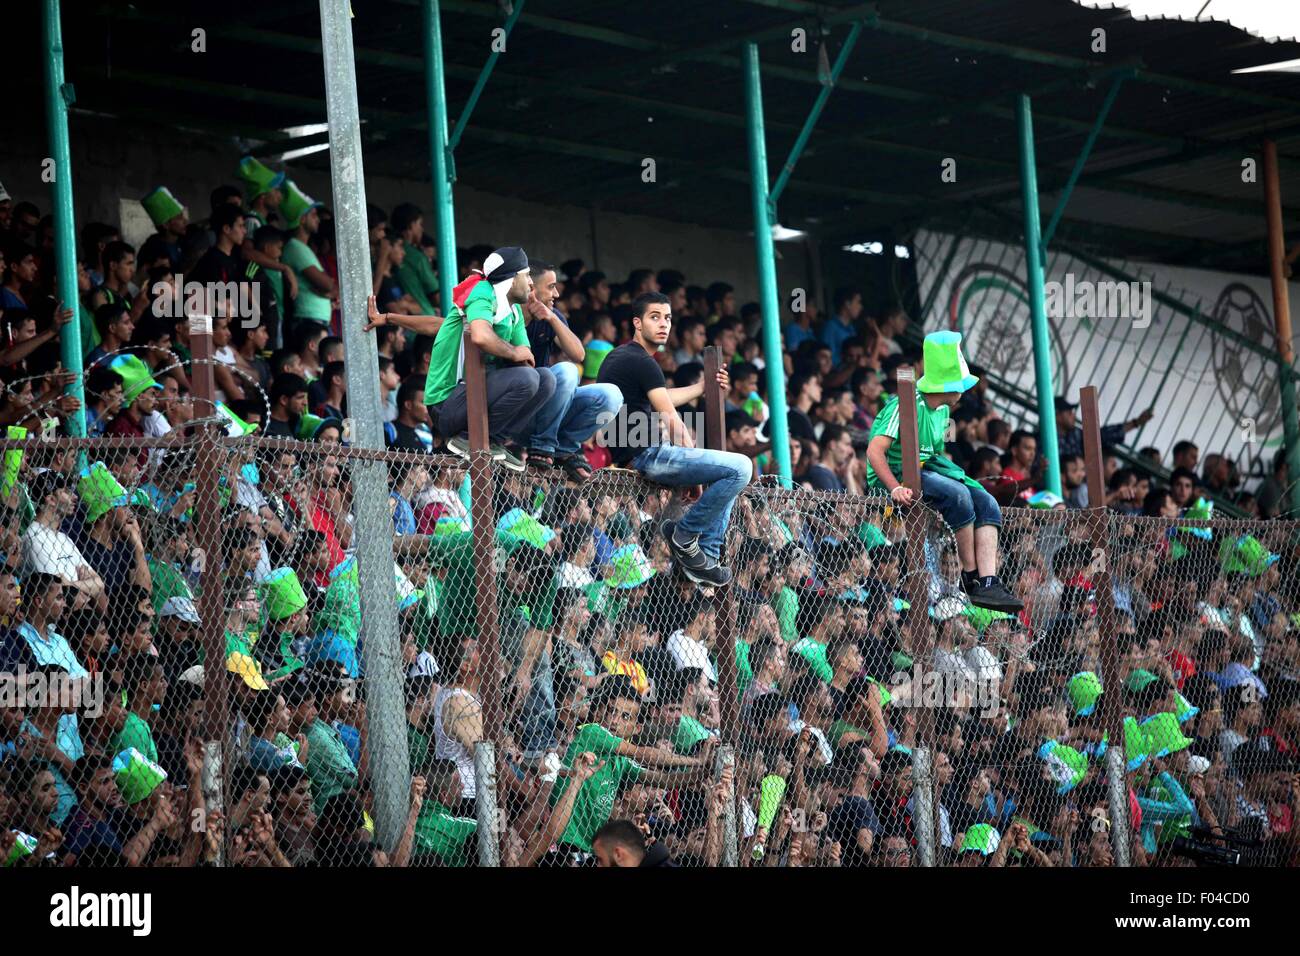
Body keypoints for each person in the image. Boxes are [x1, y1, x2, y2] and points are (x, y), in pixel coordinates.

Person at [597, 292, 751, 588]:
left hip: (636, 452)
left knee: (728, 476)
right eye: (655, 317)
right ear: (637, 323)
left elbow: (662, 397)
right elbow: (671, 418)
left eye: (667, 318)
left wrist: (702, 386)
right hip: (648, 454)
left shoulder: (626, 357)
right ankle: (689, 538)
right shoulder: (642, 361)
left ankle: (702, 559)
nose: (663, 324)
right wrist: (696, 476)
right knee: (740, 468)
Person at [866, 331, 1021, 613]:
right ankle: (970, 577)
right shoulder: (906, 404)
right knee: (958, 494)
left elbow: (934, 454)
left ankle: (988, 581)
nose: (964, 390)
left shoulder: (943, 412)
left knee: (986, 501)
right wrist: (894, 488)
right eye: (960, 383)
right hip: (899, 471)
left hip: (928, 467)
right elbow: (875, 451)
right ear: (948, 383)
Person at [367, 246, 555, 472]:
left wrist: (389, 318)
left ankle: (493, 440)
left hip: (474, 397)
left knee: (546, 379)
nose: (531, 283)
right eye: (526, 276)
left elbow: (527, 357)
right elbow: (481, 336)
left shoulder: (513, 312)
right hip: (447, 402)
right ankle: (468, 439)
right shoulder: (483, 294)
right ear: (512, 278)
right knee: (528, 378)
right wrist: (514, 353)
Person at [522, 261, 623, 482]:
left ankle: (564, 449)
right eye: (550, 287)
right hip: (518, 412)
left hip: (546, 409)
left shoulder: (552, 316)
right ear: (530, 287)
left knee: (611, 395)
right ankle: (543, 445)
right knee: (566, 371)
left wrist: (551, 318)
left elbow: (579, 354)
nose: (556, 293)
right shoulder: (506, 314)